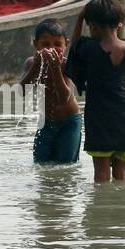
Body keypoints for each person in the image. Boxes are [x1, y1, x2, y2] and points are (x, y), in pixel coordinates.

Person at [65, 0, 125, 183]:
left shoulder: (89, 49)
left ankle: (102, 209)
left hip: (99, 115)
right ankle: (121, 209)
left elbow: (73, 48)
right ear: (119, 24)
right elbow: (117, 38)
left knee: (101, 172)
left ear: (93, 26)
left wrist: (80, 19)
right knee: (121, 173)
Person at [20, 19, 82, 165]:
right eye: (46, 45)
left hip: (69, 122)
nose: (52, 49)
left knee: (66, 166)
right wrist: (36, 66)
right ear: (36, 45)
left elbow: (65, 97)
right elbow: (22, 91)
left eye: (58, 44)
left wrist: (55, 68)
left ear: (66, 44)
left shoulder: (66, 65)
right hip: (46, 122)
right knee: (41, 164)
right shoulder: (31, 63)